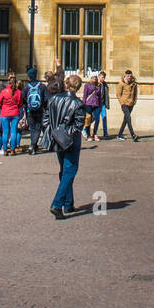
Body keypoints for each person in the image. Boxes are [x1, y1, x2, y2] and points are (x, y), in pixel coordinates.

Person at [47, 74, 88, 218]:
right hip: (70, 142)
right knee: (69, 171)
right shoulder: (78, 104)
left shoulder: (53, 99)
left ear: (66, 84)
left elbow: (47, 119)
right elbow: (78, 126)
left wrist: (55, 133)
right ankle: (57, 204)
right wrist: (66, 134)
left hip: (58, 140)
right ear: (78, 87)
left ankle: (68, 204)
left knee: (64, 171)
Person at [0, 73, 25, 156]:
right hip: (15, 113)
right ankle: (12, 150)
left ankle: (5, 150)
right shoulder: (18, 92)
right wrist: (15, 107)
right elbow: (20, 103)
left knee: (5, 132)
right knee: (13, 132)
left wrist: (4, 107)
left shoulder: (4, 91)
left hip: (5, 113)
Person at [22, 67, 48, 154]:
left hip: (30, 111)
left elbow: (23, 99)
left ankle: (33, 145)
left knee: (32, 129)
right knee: (37, 128)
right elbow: (46, 99)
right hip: (40, 111)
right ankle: (33, 145)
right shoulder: (42, 86)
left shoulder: (26, 87)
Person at [116, 69, 140, 141]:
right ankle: (133, 135)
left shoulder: (134, 84)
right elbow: (118, 94)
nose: (129, 77)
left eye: (130, 76)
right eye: (127, 76)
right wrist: (122, 102)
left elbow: (135, 93)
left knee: (126, 119)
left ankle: (119, 134)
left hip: (131, 103)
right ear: (125, 76)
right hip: (124, 104)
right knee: (128, 118)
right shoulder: (121, 84)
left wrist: (134, 101)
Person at [81, 73, 103, 141]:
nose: (95, 79)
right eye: (93, 77)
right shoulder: (87, 85)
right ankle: (88, 135)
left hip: (96, 104)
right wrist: (83, 104)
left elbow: (100, 96)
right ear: (90, 78)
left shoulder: (99, 85)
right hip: (89, 103)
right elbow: (85, 95)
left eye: (95, 77)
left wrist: (100, 105)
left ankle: (95, 133)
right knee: (88, 119)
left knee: (97, 119)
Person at [94, 71, 111, 140]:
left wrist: (107, 104)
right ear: (99, 77)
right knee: (94, 119)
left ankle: (105, 133)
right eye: (102, 77)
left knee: (104, 118)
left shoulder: (105, 85)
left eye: (104, 77)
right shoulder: (95, 84)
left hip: (102, 104)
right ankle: (88, 130)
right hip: (96, 104)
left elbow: (106, 95)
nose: (103, 79)